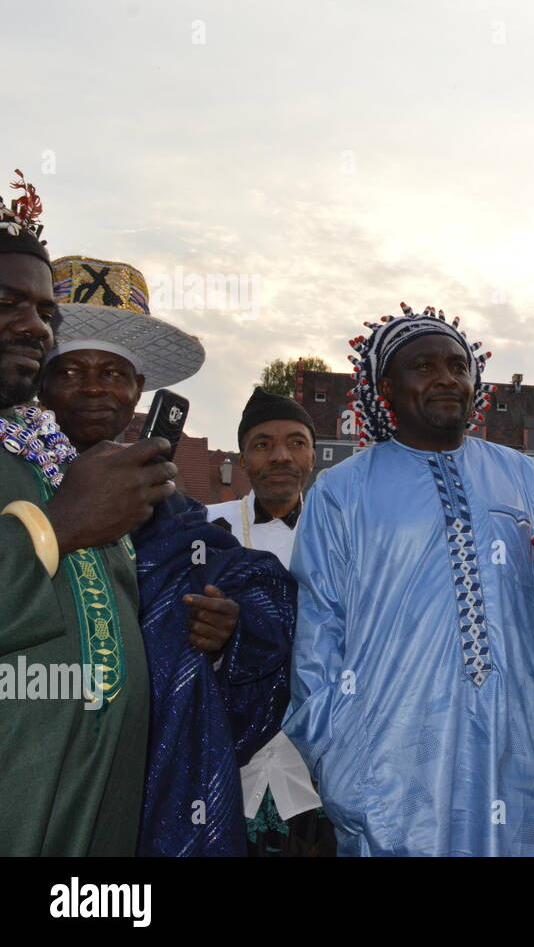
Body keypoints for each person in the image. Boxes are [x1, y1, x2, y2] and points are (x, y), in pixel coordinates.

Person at [39, 254, 297, 857]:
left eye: (115, 372)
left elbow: (262, 601)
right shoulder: (16, 486)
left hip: (167, 783)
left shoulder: (176, 513)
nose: (97, 387)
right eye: (72, 370)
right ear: (41, 383)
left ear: (138, 391)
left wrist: (231, 627)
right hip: (40, 771)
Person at [284, 303, 534, 856]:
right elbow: (318, 629)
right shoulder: (342, 489)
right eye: (424, 367)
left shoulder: (518, 473)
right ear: (386, 386)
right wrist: (335, 752)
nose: (446, 379)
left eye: (458, 366)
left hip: (517, 741)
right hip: (390, 753)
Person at [0, 173, 176, 855]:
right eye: (7, 303)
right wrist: (57, 527)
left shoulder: (42, 459)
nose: (32, 325)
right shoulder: (67, 485)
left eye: (45, 312)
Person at [208, 388, 335, 856]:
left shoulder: (339, 532)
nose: (280, 455)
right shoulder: (209, 529)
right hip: (228, 756)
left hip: (320, 761)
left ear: (312, 457)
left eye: (295, 442)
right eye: (262, 444)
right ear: (242, 459)